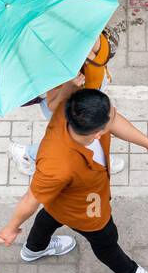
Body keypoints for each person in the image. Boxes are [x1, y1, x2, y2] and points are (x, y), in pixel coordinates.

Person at [0, 85, 148, 273]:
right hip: (85, 210)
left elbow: (115, 120)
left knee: (50, 215)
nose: (115, 117)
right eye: (110, 119)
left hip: (61, 200)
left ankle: (34, 249)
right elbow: (30, 199)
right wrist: (10, 228)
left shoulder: (72, 108)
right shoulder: (57, 167)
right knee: (106, 241)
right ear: (99, 133)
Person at [8, 29, 119, 177]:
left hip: (87, 99)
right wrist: (69, 86)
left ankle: (28, 154)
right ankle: (27, 154)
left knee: (77, 137)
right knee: (70, 141)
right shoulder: (59, 68)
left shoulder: (91, 37)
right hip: (67, 108)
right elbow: (52, 105)